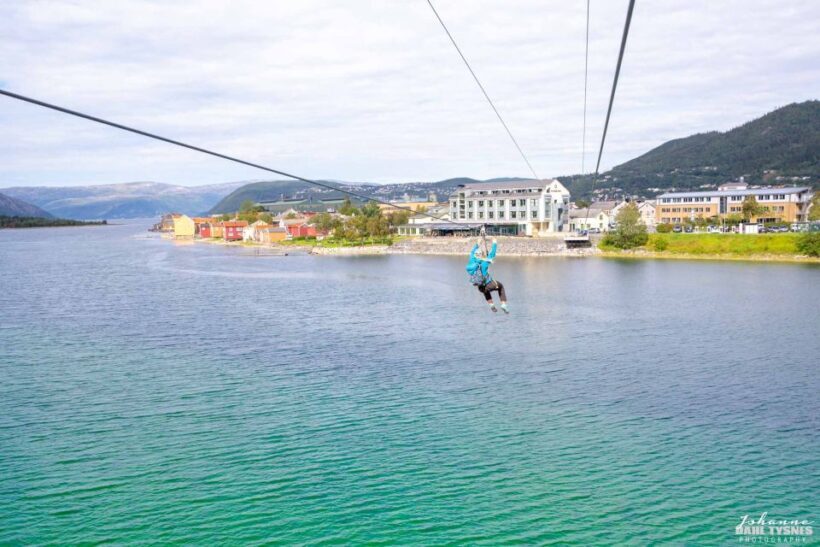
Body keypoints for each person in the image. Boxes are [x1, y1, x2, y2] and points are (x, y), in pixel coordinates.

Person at [466, 237, 508, 313]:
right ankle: (503, 304)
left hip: (480, 287)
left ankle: (492, 305)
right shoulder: (485, 262)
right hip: (490, 284)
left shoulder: (470, 263)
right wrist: (494, 243)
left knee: (485, 291)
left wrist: (477, 244)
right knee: (501, 287)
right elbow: (492, 254)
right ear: (481, 255)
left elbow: (471, 253)